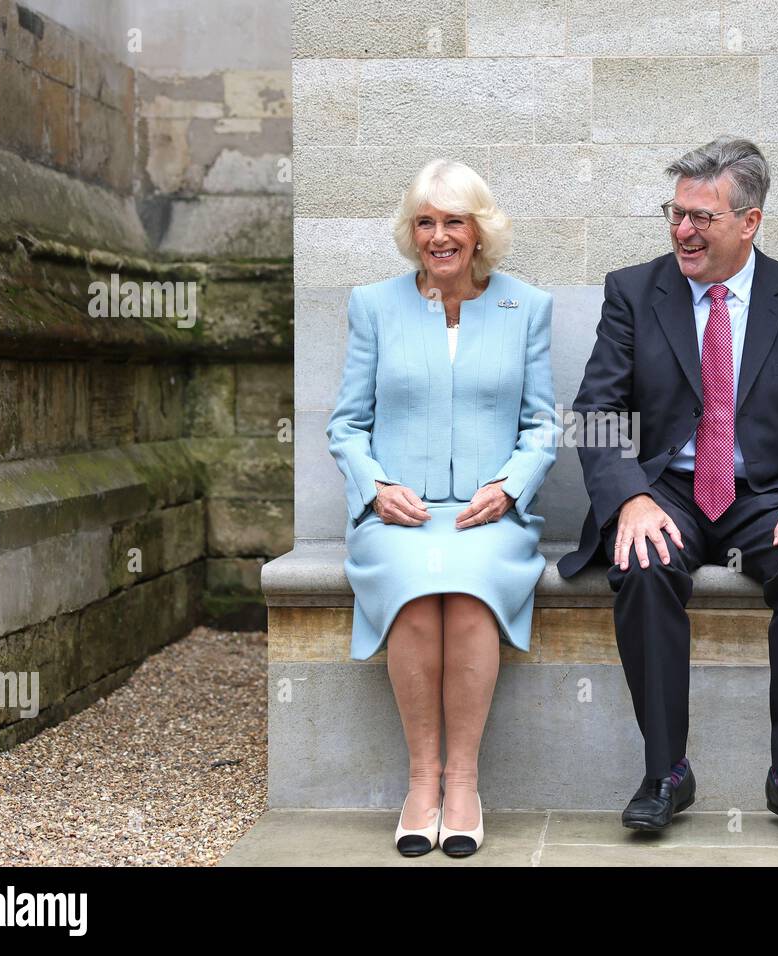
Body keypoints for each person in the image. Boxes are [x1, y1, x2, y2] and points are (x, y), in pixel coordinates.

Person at [558, 137, 778, 832]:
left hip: (763, 496)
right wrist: (629, 497)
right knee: (643, 562)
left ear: (749, 222)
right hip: (669, 488)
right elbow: (596, 414)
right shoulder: (634, 292)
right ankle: (666, 772)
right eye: (676, 213)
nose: (682, 231)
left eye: (702, 217)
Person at [326, 159, 556, 857]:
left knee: (470, 590)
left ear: (479, 231)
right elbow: (346, 426)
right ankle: (422, 781)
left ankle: (464, 786)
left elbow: (544, 425)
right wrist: (374, 488)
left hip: (489, 515)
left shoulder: (526, 307)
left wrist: (511, 486)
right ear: (412, 232)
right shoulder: (375, 305)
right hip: (400, 514)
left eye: (453, 221)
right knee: (417, 591)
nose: (439, 236)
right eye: (425, 222)